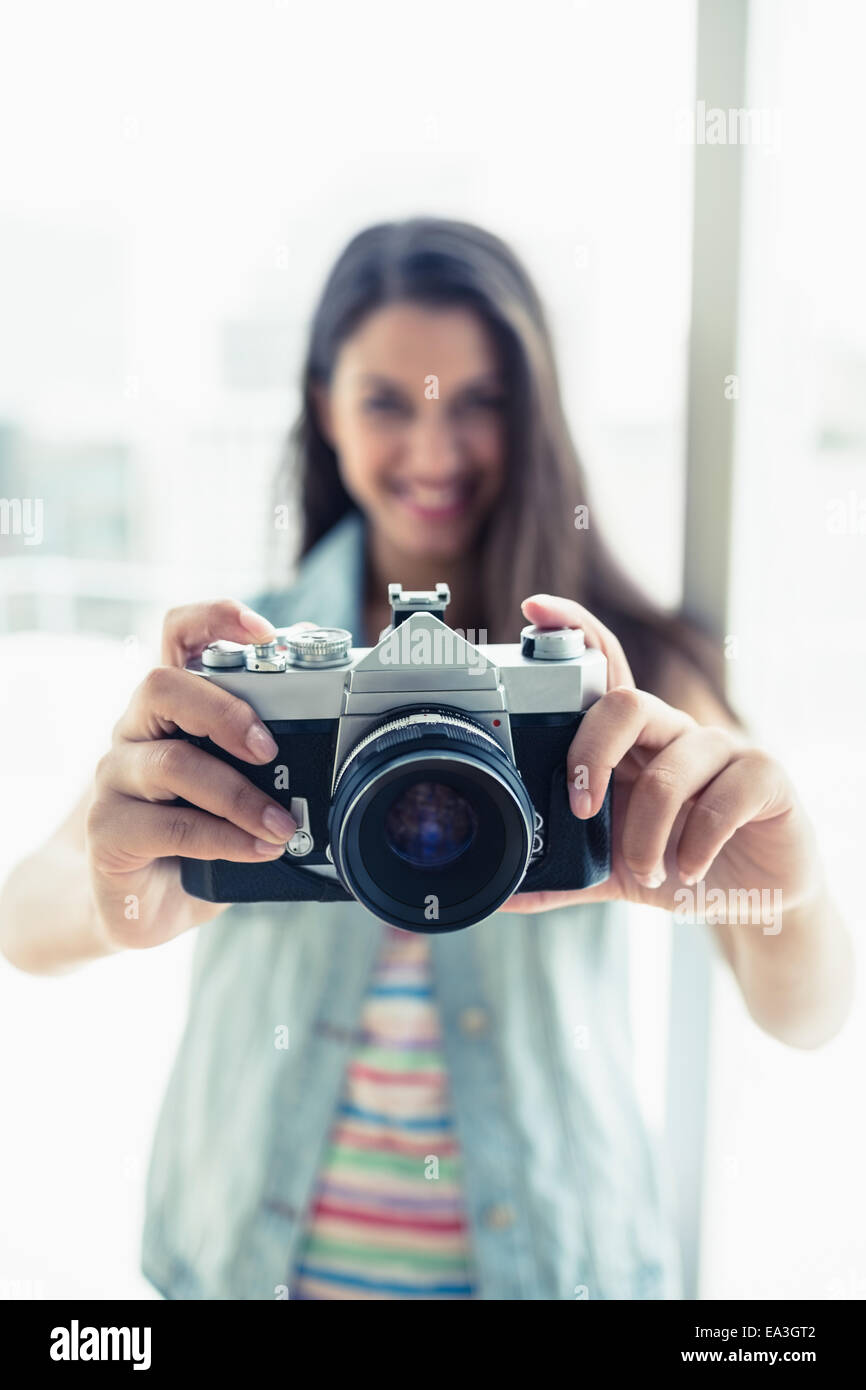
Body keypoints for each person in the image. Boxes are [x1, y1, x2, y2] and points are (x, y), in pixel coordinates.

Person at [0, 218, 853, 1301]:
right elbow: (21, 920)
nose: (434, 451)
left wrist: (785, 894)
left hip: (548, 1267)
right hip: (246, 1264)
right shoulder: (249, 657)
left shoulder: (616, 679)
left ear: (532, 412)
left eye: (479, 401)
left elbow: (808, 1012)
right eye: (386, 402)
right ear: (323, 408)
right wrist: (116, 893)